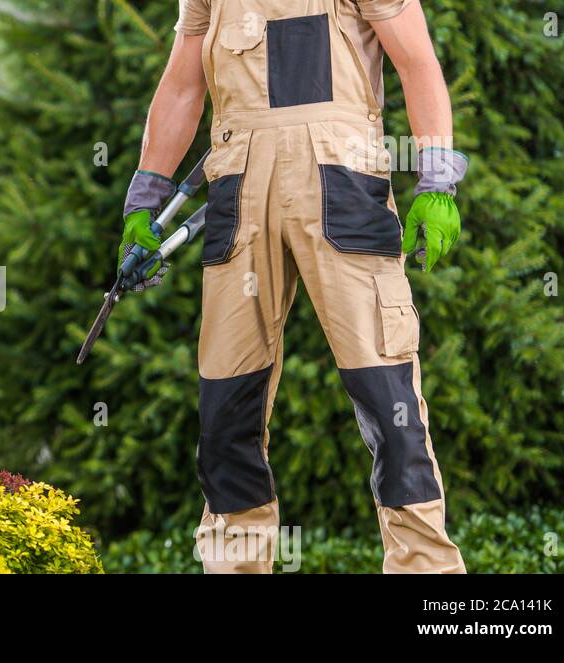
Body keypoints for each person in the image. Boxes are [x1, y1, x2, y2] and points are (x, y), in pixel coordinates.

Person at [122, 0, 468, 573]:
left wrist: (438, 179)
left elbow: (417, 60)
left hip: (344, 189)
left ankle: (427, 576)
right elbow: (184, 84)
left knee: (388, 398)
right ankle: (235, 566)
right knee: (226, 406)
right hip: (237, 195)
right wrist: (145, 197)